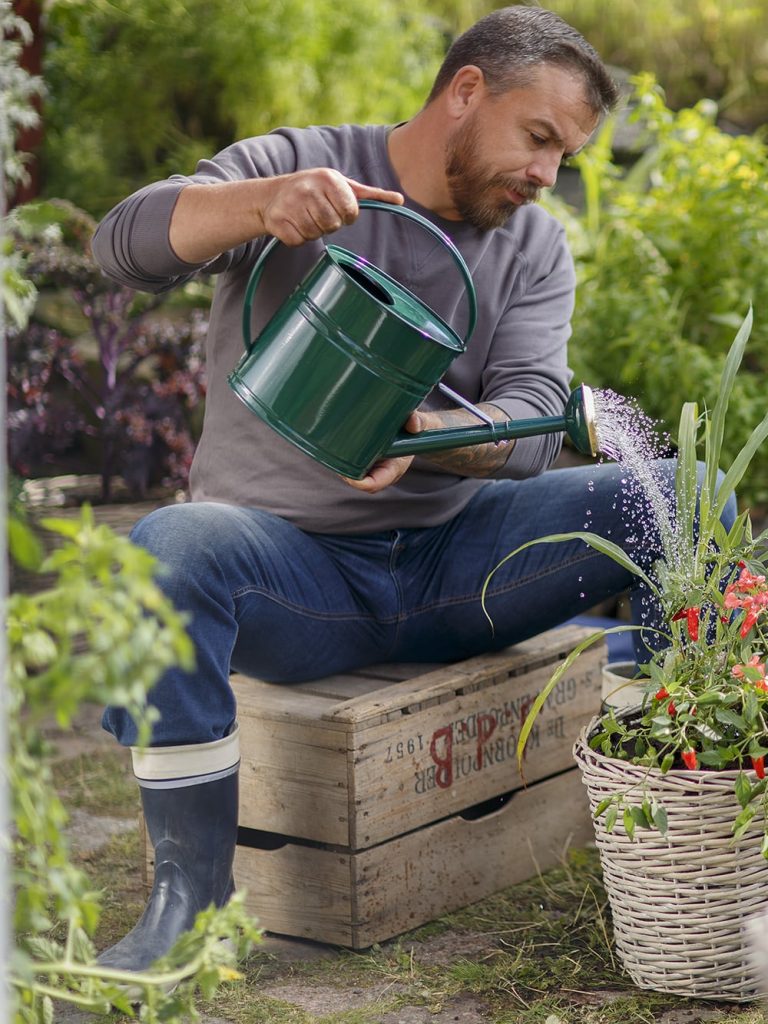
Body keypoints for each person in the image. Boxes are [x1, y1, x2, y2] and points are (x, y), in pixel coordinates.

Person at [90, 6, 725, 970]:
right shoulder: (303, 164)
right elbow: (119, 246)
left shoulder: (532, 247)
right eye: (539, 137)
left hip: (456, 567)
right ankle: (190, 897)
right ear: (466, 91)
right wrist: (260, 205)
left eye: (567, 156)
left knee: (688, 493)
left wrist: (426, 439)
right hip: (289, 577)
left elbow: (528, 424)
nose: (548, 174)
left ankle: (686, 815)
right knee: (167, 552)